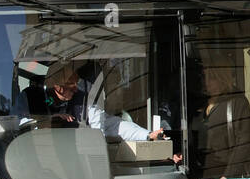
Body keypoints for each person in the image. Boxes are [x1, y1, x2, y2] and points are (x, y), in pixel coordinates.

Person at [15, 61, 168, 144]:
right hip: (39, 155)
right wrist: (47, 121)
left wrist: (147, 135)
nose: (76, 89)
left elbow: (111, 124)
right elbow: (17, 124)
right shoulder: (29, 97)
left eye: (76, 84)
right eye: (71, 86)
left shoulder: (82, 100)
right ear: (57, 87)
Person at [194, 58, 250, 179]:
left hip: (224, 178)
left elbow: (244, 141)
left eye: (213, 77)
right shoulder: (200, 103)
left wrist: (229, 176)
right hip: (200, 178)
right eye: (205, 77)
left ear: (223, 79)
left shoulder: (236, 102)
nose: (207, 82)